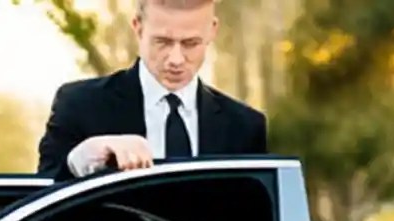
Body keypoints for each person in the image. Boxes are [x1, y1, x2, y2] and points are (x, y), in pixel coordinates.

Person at [37, 0, 268, 181]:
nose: (176, 60)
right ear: (138, 27)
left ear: (212, 31)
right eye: (163, 42)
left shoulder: (245, 127)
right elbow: (35, 207)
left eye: (191, 43)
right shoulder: (79, 105)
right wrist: (83, 158)